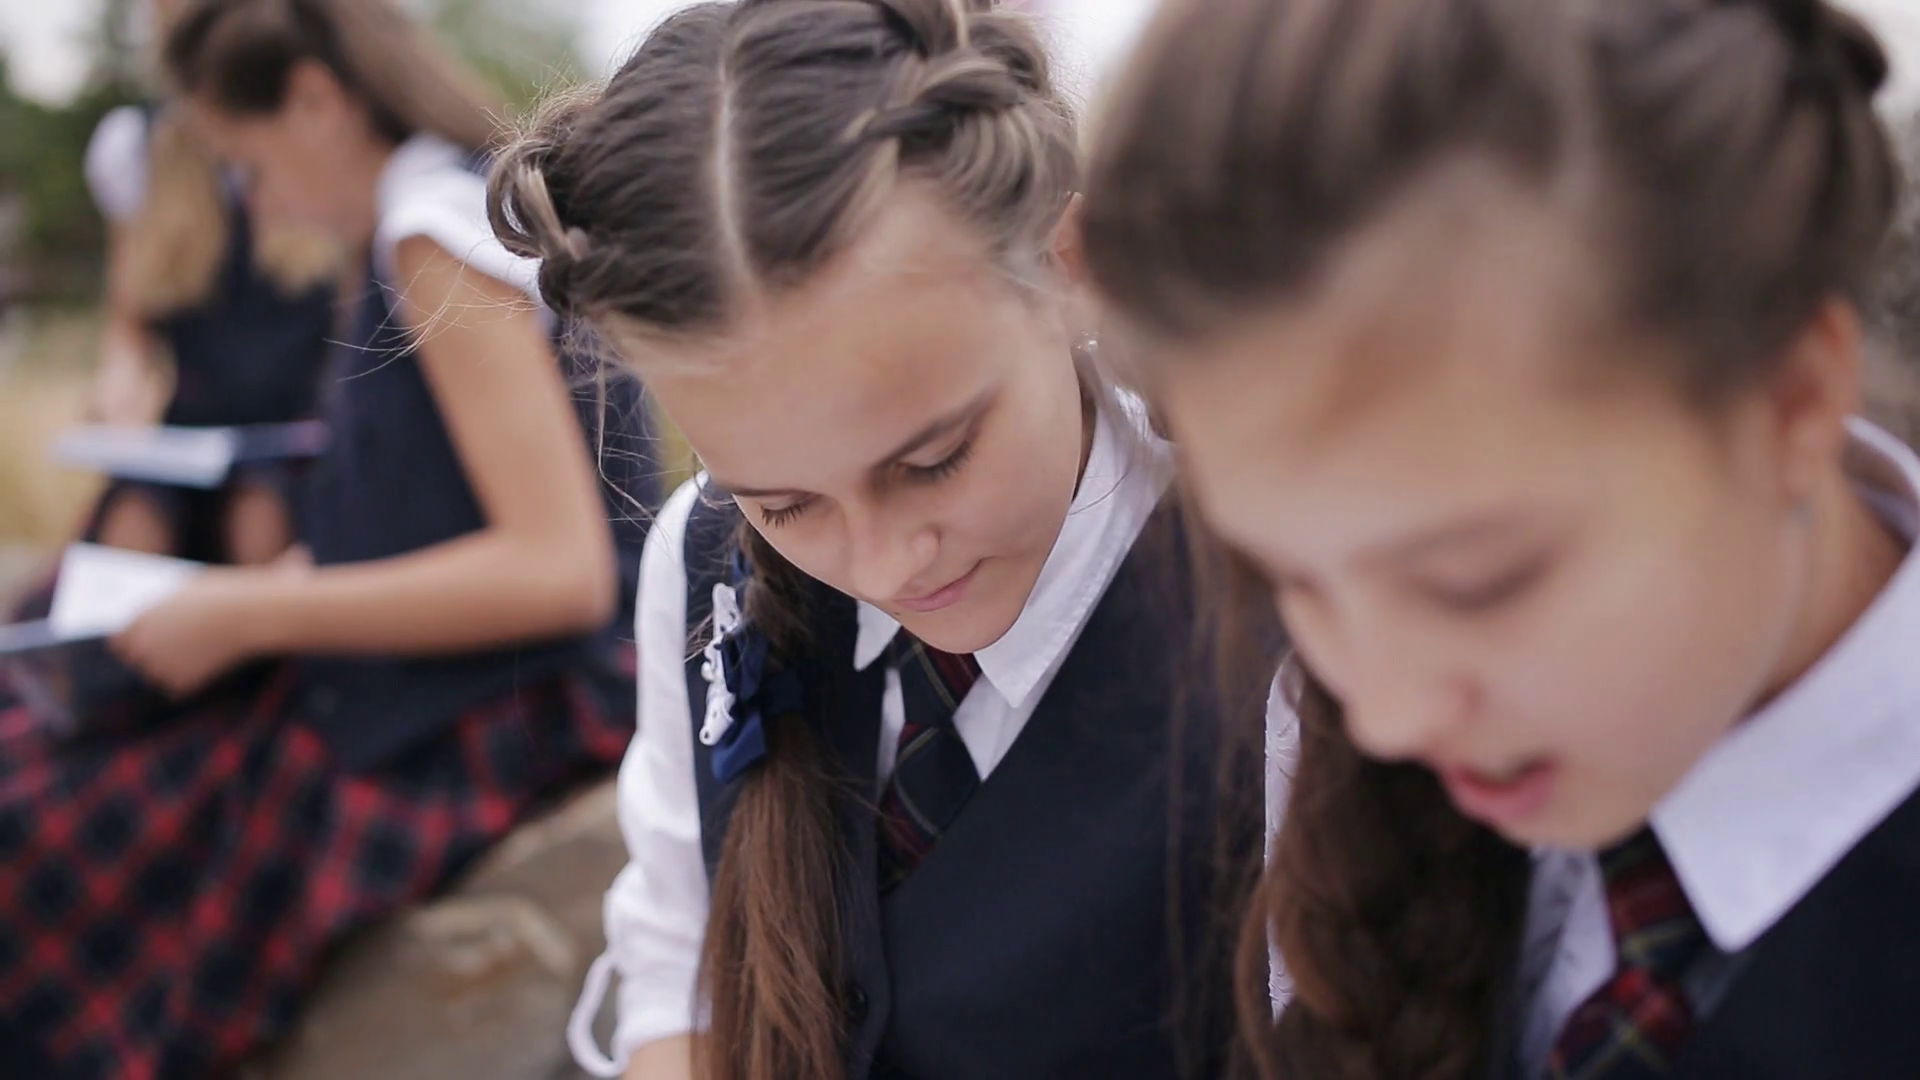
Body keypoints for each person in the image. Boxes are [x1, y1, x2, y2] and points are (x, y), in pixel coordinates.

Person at [1080, 0, 1918, 1077]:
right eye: (1292, 580)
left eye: (1477, 584)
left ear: (1791, 404)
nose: (1383, 717)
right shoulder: (1408, 749)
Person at [486, 3, 1276, 1079]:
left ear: (1065, 264)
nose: (888, 564)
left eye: (936, 459)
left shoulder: (1286, 625)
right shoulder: (701, 553)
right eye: (787, 505)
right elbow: (680, 950)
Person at [0, 0, 657, 1075]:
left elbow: (563, 572)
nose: (253, 203)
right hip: (431, 675)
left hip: (501, 702)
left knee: (43, 818)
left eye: (246, 163)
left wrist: (253, 609)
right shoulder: (420, 212)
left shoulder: (434, 230)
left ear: (314, 98)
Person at [81, 0, 339, 566]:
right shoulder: (141, 148)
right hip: (186, 434)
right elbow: (129, 323)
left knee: (259, 516)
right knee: (134, 524)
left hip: (293, 432)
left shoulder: (321, 135)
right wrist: (121, 389)